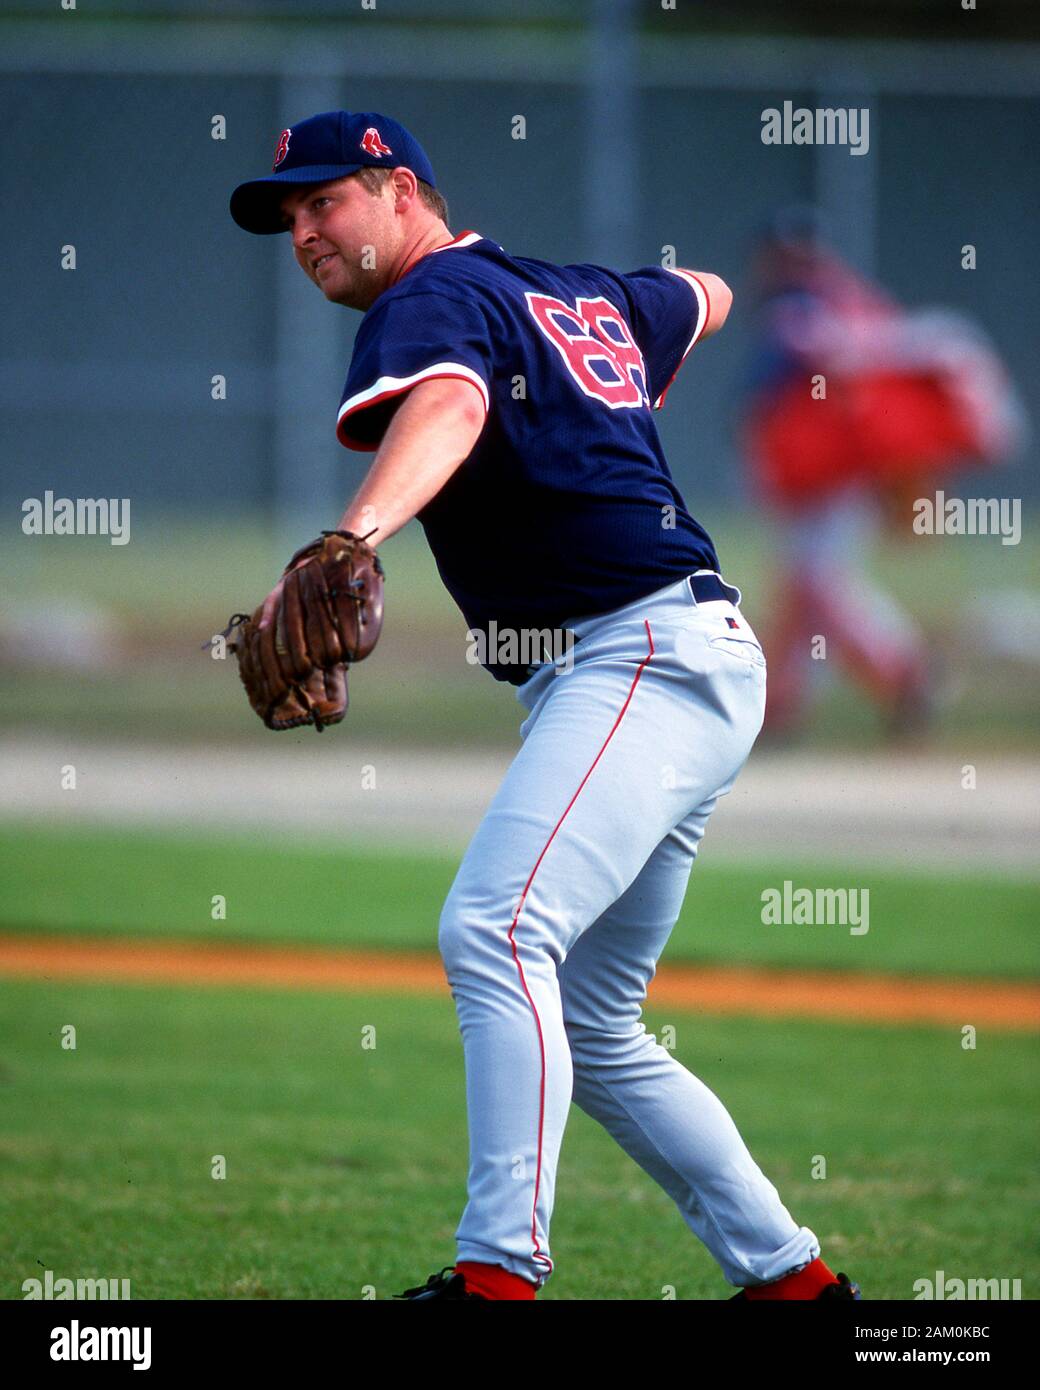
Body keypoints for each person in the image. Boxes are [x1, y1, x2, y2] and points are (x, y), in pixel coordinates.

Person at [230, 110, 860, 1302]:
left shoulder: (426, 301)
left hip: (637, 655)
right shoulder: (574, 292)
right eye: (289, 217)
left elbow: (455, 407)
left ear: (403, 190)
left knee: (496, 930)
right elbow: (710, 294)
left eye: (328, 201)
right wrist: (640, 308)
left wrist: (352, 536)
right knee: (596, 1021)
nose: (306, 231)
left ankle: (496, 1280)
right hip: (675, 656)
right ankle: (797, 1289)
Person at [741, 208, 1023, 738]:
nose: (783, 264)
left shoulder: (812, 308)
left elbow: (846, 376)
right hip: (827, 475)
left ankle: (906, 673)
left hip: (829, 477)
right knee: (803, 590)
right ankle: (780, 705)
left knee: (817, 584)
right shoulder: (844, 301)